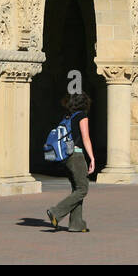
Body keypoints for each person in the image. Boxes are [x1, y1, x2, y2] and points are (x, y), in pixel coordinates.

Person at [47, 92, 95, 232]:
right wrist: (92, 157)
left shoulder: (68, 116)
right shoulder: (82, 116)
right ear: (85, 103)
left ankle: (76, 224)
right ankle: (56, 211)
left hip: (66, 158)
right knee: (83, 189)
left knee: (76, 189)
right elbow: (85, 138)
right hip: (76, 156)